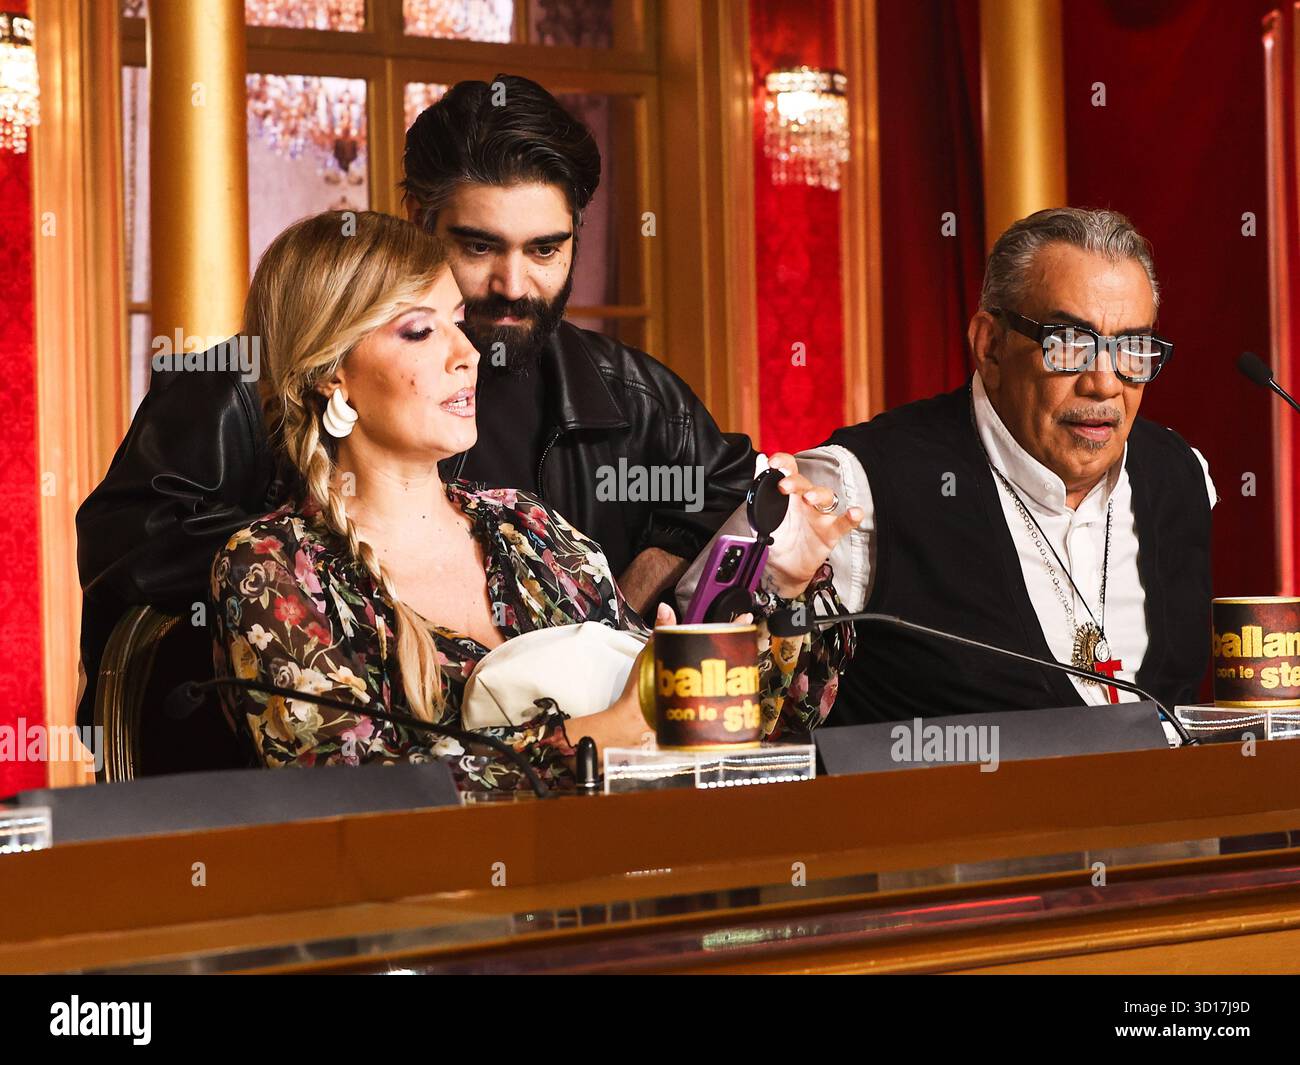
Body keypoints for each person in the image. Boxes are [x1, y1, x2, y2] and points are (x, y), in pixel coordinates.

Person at [74, 73, 753, 730]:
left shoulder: (628, 395)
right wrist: (341, 580)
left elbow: (726, 491)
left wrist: (618, 614)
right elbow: (129, 553)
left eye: (546, 249)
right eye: (479, 245)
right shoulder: (241, 386)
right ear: (417, 222)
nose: (514, 284)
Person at [212, 210, 858, 790]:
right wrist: (610, 731)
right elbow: (351, 803)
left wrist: (782, 588)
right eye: (419, 331)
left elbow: (728, 743)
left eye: (458, 324)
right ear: (332, 370)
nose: (466, 354)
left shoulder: (530, 528)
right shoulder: (272, 567)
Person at [680, 207, 1215, 724]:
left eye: (1133, 347)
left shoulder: (1183, 477)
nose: (1104, 383)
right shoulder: (854, 485)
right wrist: (774, 588)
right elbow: (692, 679)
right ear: (991, 346)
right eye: (1069, 343)